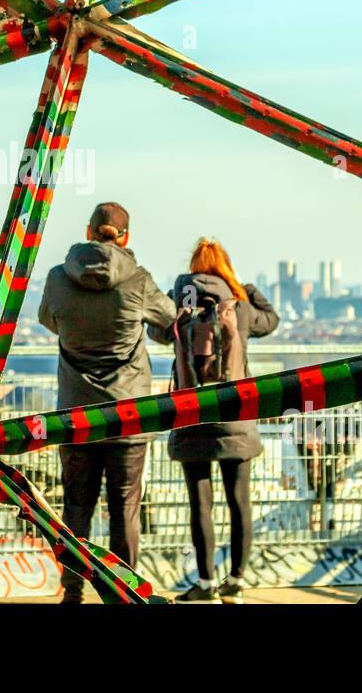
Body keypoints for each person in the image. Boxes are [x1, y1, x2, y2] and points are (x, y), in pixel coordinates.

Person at [38, 201, 177, 604]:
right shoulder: (139, 281)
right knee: (124, 509)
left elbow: (50, 319)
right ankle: (122, 594)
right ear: (126, 237)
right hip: (128, 416)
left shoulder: (58, 278)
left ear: (88, 231)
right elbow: (170, 324)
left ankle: (72, 591)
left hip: (76, 415)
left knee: (76, 508)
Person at [151, 238, 278, 603]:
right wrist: (244, 285)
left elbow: (156, 330)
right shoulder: (237, 306)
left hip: (192, 413)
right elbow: (271, 320)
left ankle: (205, 585)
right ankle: (235, 582)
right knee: (239, 503)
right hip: (234, 414)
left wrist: (176, 295)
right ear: (225, 267)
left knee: (200, 504)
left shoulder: (184, 300)